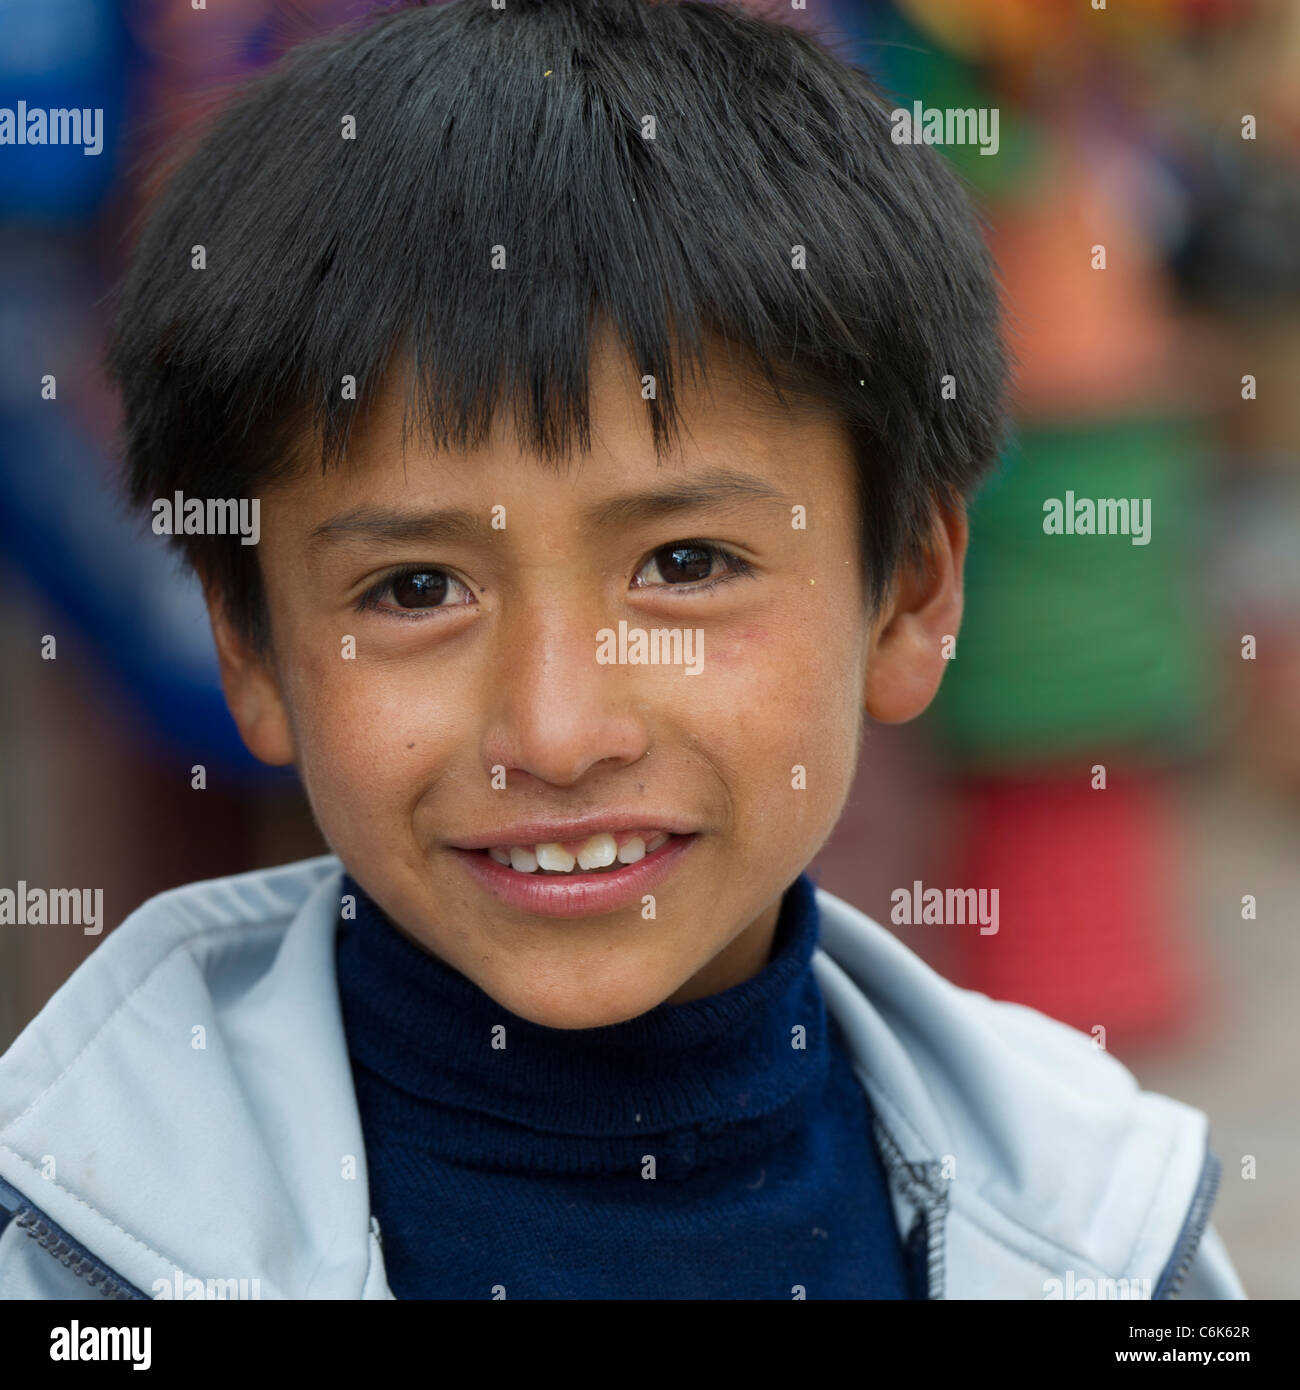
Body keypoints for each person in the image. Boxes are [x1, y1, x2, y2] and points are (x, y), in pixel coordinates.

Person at [0, 0, 1244, 1299]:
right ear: (250, 646)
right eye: (417, 588)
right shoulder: (80, 1244)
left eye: (686, 565)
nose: (556, 730)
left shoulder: (1106, 1239)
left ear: (908, 595)